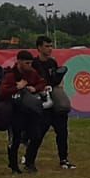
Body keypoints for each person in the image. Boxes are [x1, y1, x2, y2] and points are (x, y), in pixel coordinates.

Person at [0, 49, 50, 174]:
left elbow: (42, 82)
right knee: (14, 139)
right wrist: (17, 87)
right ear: (19, 62)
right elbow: (3, 92)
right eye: (27, 63)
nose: (29, 66)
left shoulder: (32, 72)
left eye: (30, 63)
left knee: (36, 136)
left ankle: (29, 163)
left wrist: (35, 88)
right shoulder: (10, 75)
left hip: (30, 111)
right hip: (15, 111)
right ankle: (14, 166)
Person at [32, 36, 74, 169]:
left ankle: (64, 159)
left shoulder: (52, 63)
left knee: (62, 131)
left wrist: (59, 85)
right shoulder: (34, 64)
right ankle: (29, 159)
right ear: (39, 48)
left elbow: (57, 79)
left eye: (51, 46)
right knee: (39, 133)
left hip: (54, 101)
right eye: (46, 46)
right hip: (43, 102)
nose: (50, 49)